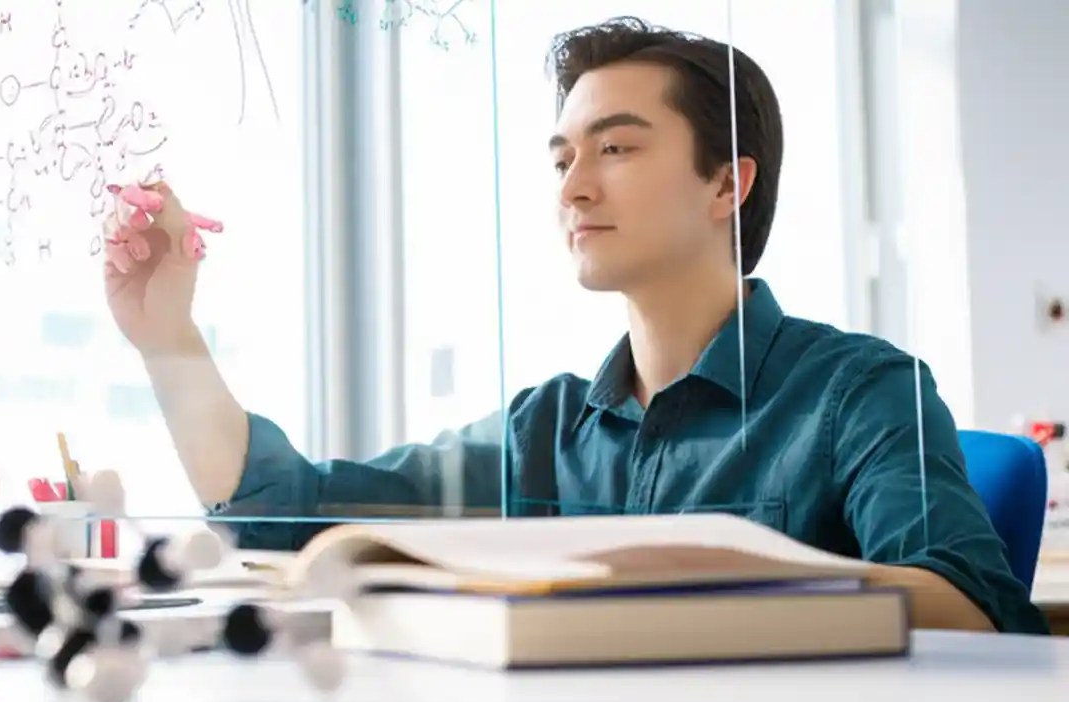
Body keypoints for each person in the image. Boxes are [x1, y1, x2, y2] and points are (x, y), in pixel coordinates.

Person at [100, 17, 1048, 635]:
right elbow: (287, 513)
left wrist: (720, 583)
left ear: (728, 183)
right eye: (562, 160)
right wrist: (169, 340)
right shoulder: (546, 433)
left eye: (617, 148)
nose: (575, 188)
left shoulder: (857, 392)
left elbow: (978, 604)